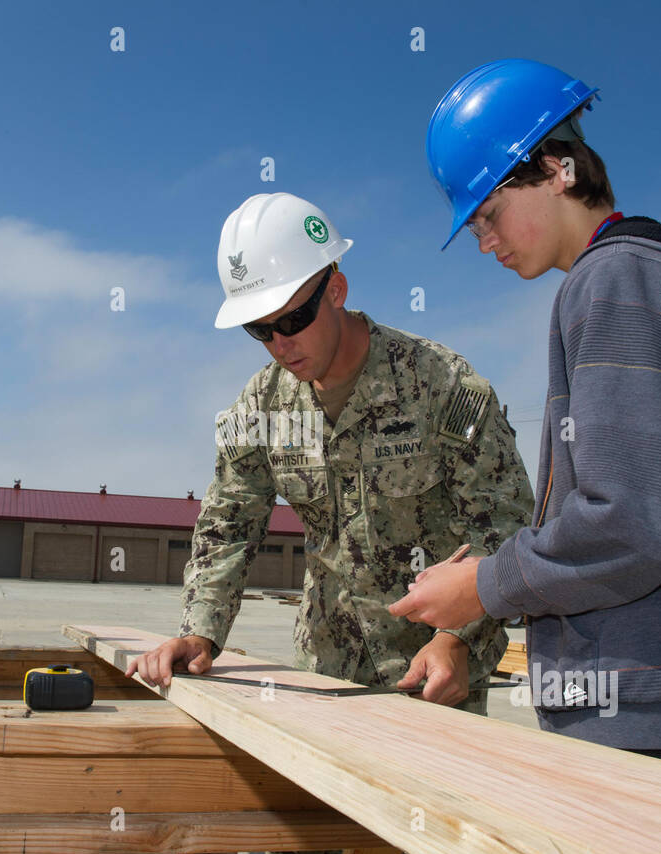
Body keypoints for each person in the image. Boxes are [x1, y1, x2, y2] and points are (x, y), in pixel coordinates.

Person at [391, 59, 661, 779]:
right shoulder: (646, 278)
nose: (485, 240)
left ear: (556, 170)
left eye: (488, 211)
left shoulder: (618, 281)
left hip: (658, 723)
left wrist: (484, 586)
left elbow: (639, 521)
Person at [129, 193, 532, 711]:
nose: (279, 344)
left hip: (433, 673)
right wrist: (199, 632)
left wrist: (460, 639)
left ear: (336, 290)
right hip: (322, 676)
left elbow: (503, 527)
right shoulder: (261, 407)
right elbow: (229, 525)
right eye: (259, 330)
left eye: (293, 321)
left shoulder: (443, 386)